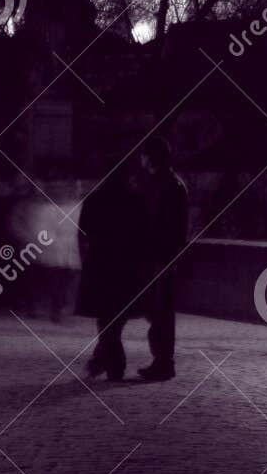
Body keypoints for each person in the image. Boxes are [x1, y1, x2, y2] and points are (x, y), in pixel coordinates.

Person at [76, 166, 148, 380]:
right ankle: (106, 361)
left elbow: (83, 234)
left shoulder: (94, 199)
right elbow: (145, 234)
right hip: (128, 264)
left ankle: (109, 362)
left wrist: (84, 260)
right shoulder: (137, 200)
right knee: (117, 316)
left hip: (101, 262)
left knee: (106, 316)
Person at [134, 137, 189, 380]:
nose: (141, 159)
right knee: (159, 311)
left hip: (161, 256)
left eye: (144, 155)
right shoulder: (169, 184)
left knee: (161, 311)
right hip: (162, 255)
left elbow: (163, 225)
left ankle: (164, 362)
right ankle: (162, 360)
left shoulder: (166, 185)